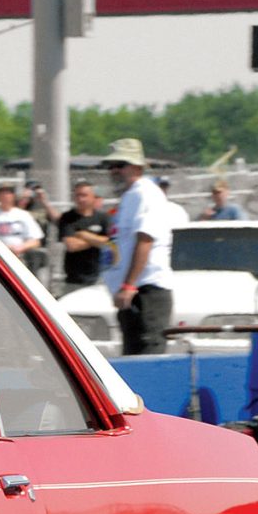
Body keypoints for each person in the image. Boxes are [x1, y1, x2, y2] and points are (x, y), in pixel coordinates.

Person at [99, 138, 173, 356]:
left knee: (146, 362)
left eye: (120, 165)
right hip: (132, 295)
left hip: (146, 293)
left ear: (137, 166)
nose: (114, 170)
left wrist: (129, 286)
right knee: (132, 360)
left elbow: (145, 240)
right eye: (110, 166)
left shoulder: (146, 193)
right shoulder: (129, 197)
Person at [57, 180, 111, 294]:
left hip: (99, 278)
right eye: (78, 195)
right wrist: (97, 240)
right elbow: (71, 245)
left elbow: (110, 243)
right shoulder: (68, 218)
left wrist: (83, 235)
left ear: (93, 197)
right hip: (73, 280)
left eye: (84, 195)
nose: (81, 199)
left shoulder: (103, 218)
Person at [0, 183, 46, 275]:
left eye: (9, 192)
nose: (5, 196)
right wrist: (5, 249)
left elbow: (36, 241)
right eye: (2, 192)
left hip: (22, 258)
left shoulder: (23, 215)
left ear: (14, 196)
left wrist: (20, 248)